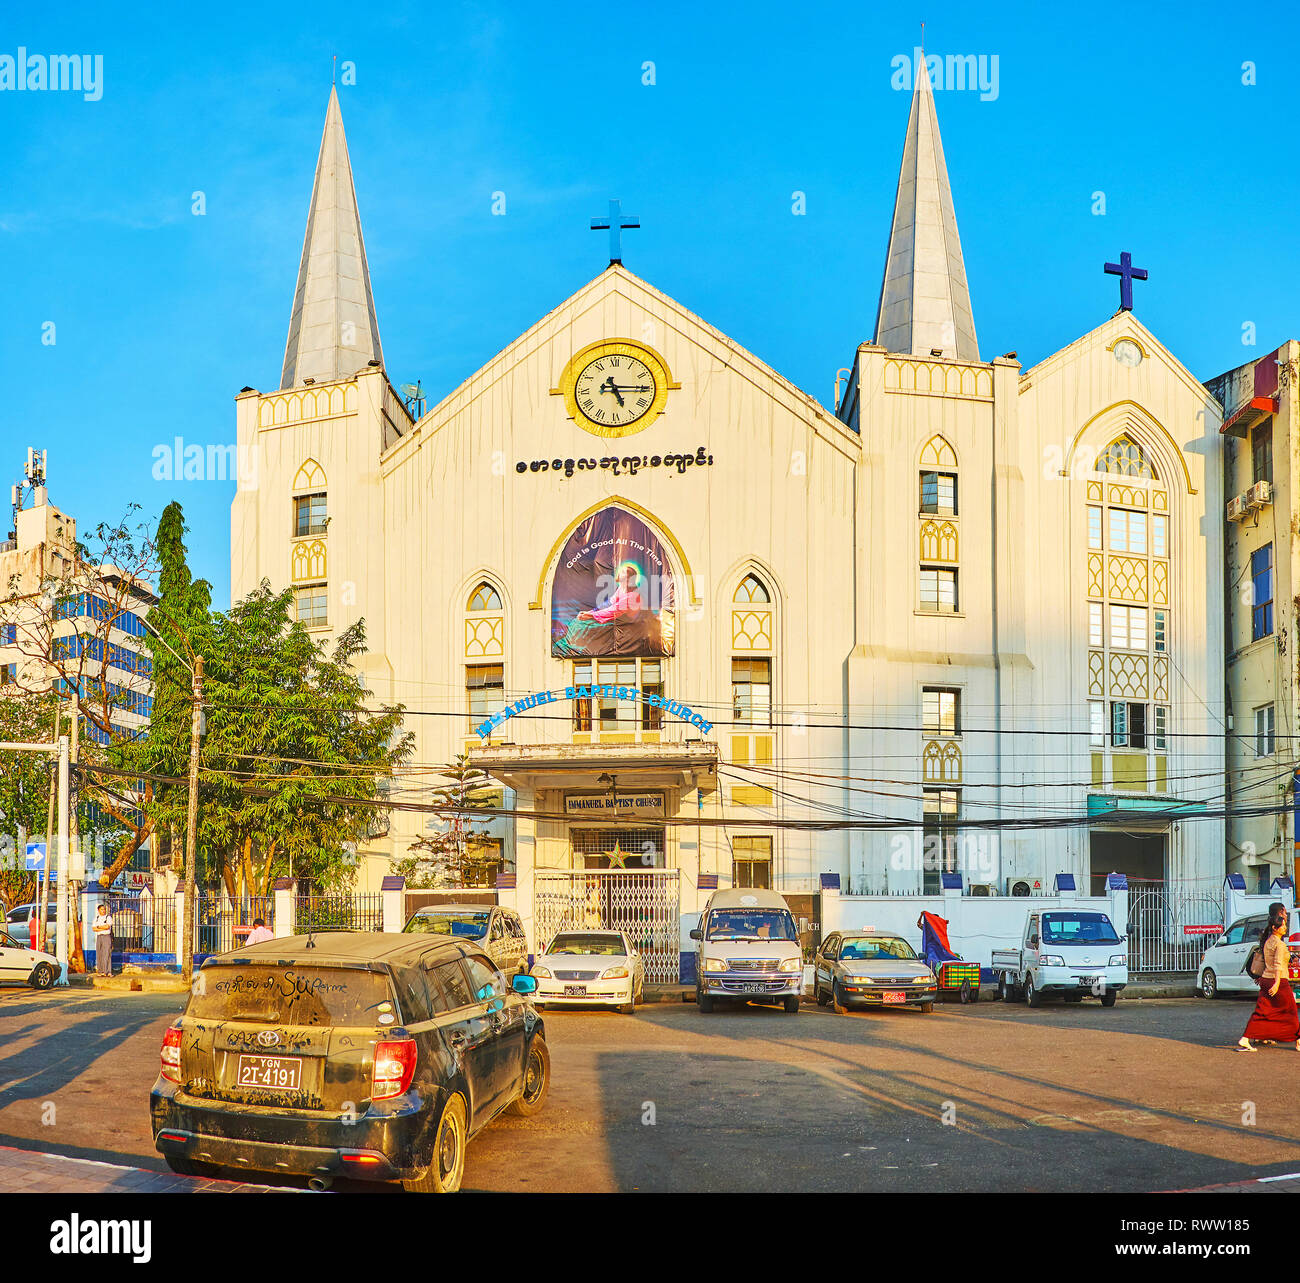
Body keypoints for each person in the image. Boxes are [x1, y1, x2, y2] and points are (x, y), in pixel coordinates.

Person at [1237, 904, 1299, 1051]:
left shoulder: (1268, 940)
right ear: (1275, 926)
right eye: (1283, 925)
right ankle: (1298, 1041)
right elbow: (1277, 964)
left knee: (1263, 1010)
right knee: (1290, 1011)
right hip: (1277, 980)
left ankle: (1246, 1038)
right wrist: (1277, 983)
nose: (1285, 927)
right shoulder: (1279, 944)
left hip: (1266, 978)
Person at [92, 903, 113, 977]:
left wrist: (98, 927)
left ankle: (108, 971)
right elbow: (94, 929)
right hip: (99, 937)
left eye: (104, 909)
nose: (103, 911)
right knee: (99, 953)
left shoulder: (108, 918)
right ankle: (101, 971)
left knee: (107, 953)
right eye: (102, 909)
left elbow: (107, 926)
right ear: (98, 910)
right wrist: (101, 927)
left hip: (106, 936)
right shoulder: (96, 918)